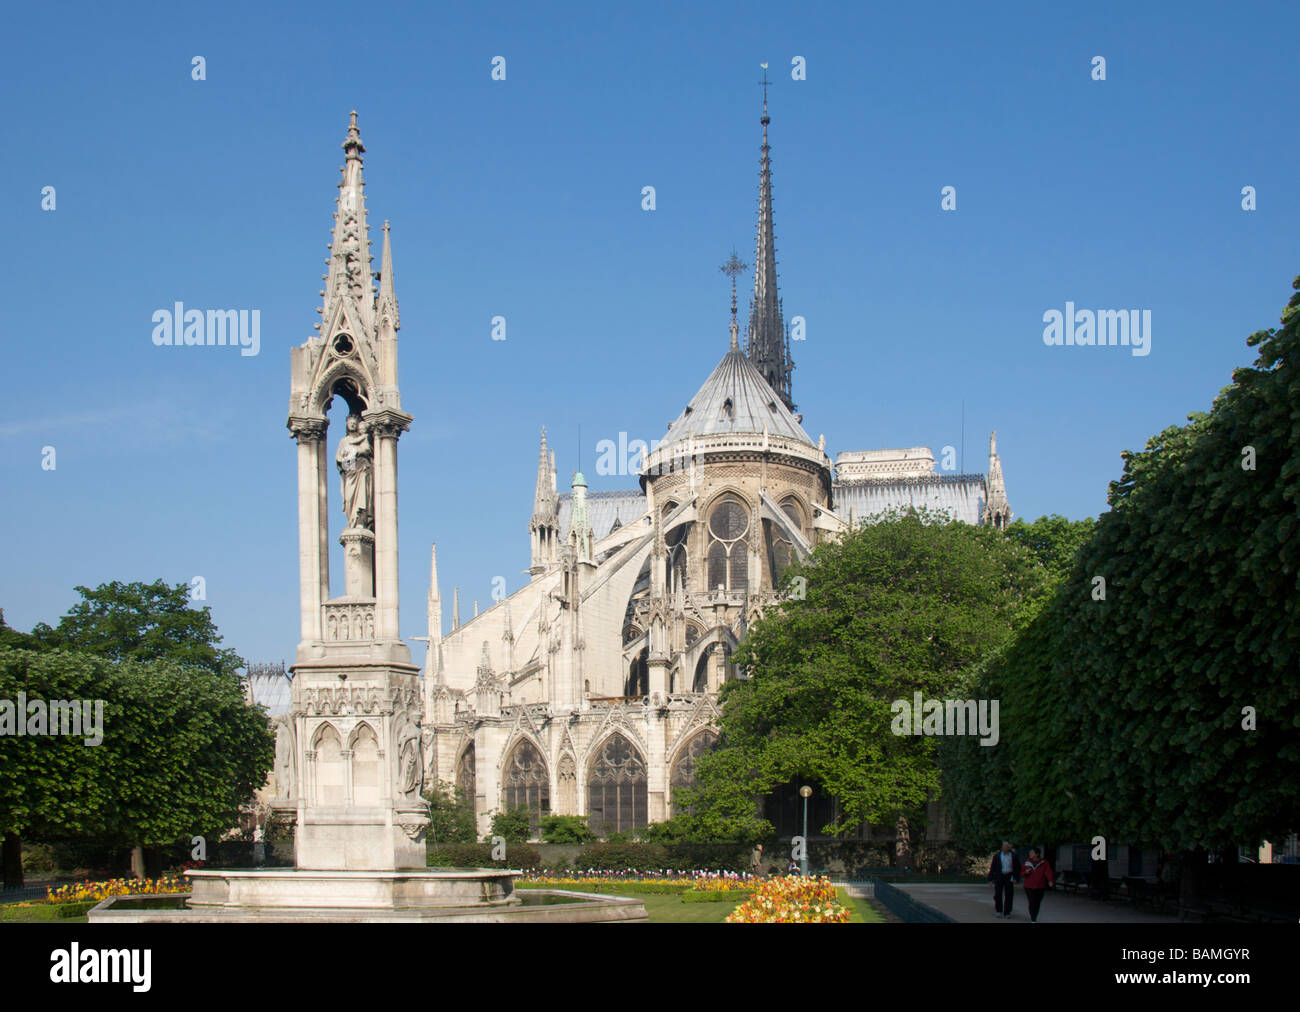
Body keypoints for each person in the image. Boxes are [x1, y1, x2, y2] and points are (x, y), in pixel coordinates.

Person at [1021, 847, 1056, 923]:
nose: (1030, 854)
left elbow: (1048, 872)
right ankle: (1033, 918)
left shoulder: (1044, 862)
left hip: (1040, 886)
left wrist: (1050, 880)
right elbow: (1022, 873)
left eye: (1032, 853)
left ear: (1037, 854)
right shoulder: (1027, 862)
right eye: (1030, 853)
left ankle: (1034, 916)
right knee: (1031, 902)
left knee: (1037, 902)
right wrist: (1025, 873)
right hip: (1029, 886)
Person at [988, 841, 1020, 918]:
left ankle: (1007, 912)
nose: (1004, 848)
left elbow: (1017, 867)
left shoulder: (1014, 855)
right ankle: (998, 910)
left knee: (1009, 894)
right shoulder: (997, 856)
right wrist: (991, 879)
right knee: (998, 894)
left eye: (1006, 847)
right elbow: (993, 867)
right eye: (1003, 847)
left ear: (1009, 848)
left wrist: (1016, 877)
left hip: (1009, 875)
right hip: (999, 876)